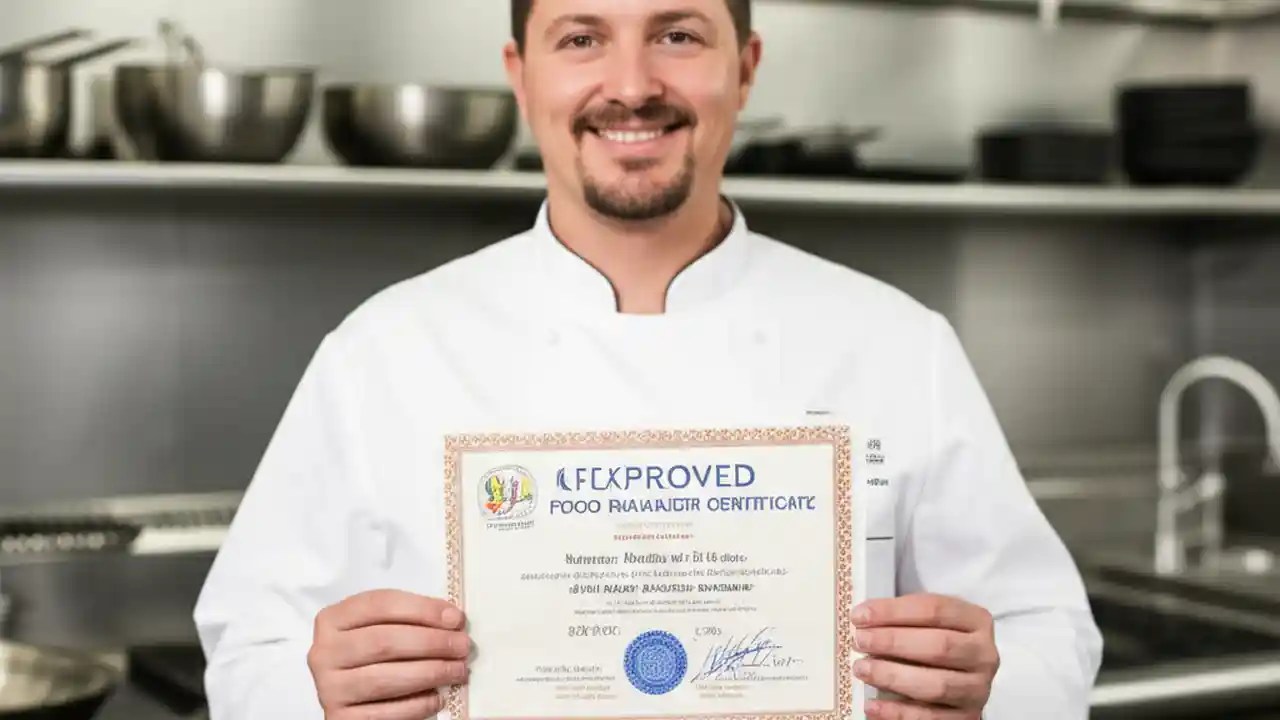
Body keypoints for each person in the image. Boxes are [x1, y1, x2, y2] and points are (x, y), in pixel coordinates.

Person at [193, 0, 1104, 718]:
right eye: (581, 38)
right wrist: (315, 694)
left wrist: (987, 689)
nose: (631, 86)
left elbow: (1046, 634)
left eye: (677, 34)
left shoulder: (899, 344)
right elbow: (248, 651)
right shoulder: (382, 351)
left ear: (745, 68)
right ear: (521, 75)